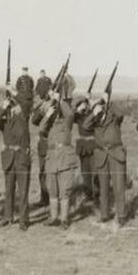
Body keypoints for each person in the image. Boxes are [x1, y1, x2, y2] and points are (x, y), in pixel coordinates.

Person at [35, 90, 80, 228]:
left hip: (65, 160)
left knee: (65, 190)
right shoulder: (50, 124)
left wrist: (60, 100)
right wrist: (47, 115)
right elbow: (41, 129)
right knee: (52, 189)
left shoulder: (67, 123)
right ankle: (54, 217)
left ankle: (64, 219)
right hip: (52, 160)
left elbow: (70, 114)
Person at [84, 92, 126, 226]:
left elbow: (120, 114)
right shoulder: (95, 121)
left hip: (115, 154)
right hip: (102, 156)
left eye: (100, 107)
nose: (98, 109)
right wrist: (93, 114)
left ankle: (121, 215)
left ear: (103, 107)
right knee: (103, 187)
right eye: (96, 107)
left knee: (119, 186)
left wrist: (110, 102)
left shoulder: (113, 118)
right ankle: (104, 214)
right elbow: (85, 125)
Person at [0, 87, 31, 230]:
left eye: (15, 106)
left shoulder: (24, 118)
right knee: (9, 190)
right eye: (12, 106)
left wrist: (14, 92)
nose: (14, 109)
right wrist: (3, 106)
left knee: (23, 191)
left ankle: (23, 220)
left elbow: (25, 104)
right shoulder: (6, 122)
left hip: (21, 159)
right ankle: (8, 217)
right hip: (9, 159)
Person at [74, 91, 98, 201]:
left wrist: (90, 100)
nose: (81, 106)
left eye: (83, 104)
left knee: (95, 171)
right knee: (85, 171)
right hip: (83, 147)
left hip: (93, 145)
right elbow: (71, 116)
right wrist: (77, 110)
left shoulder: (91, 113)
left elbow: (96, 112)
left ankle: (98, 194)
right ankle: (88, 193)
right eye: (79, 105)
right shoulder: (77, 115)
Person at [31, 105, 50, 207]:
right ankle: (45, 199)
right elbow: (34, 120)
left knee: (52, 174)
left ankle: (53, 198)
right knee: (42, 174)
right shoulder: (45, 106)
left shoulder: (55, 109)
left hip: (51, 144)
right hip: (43, 146)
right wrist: (42, 108)